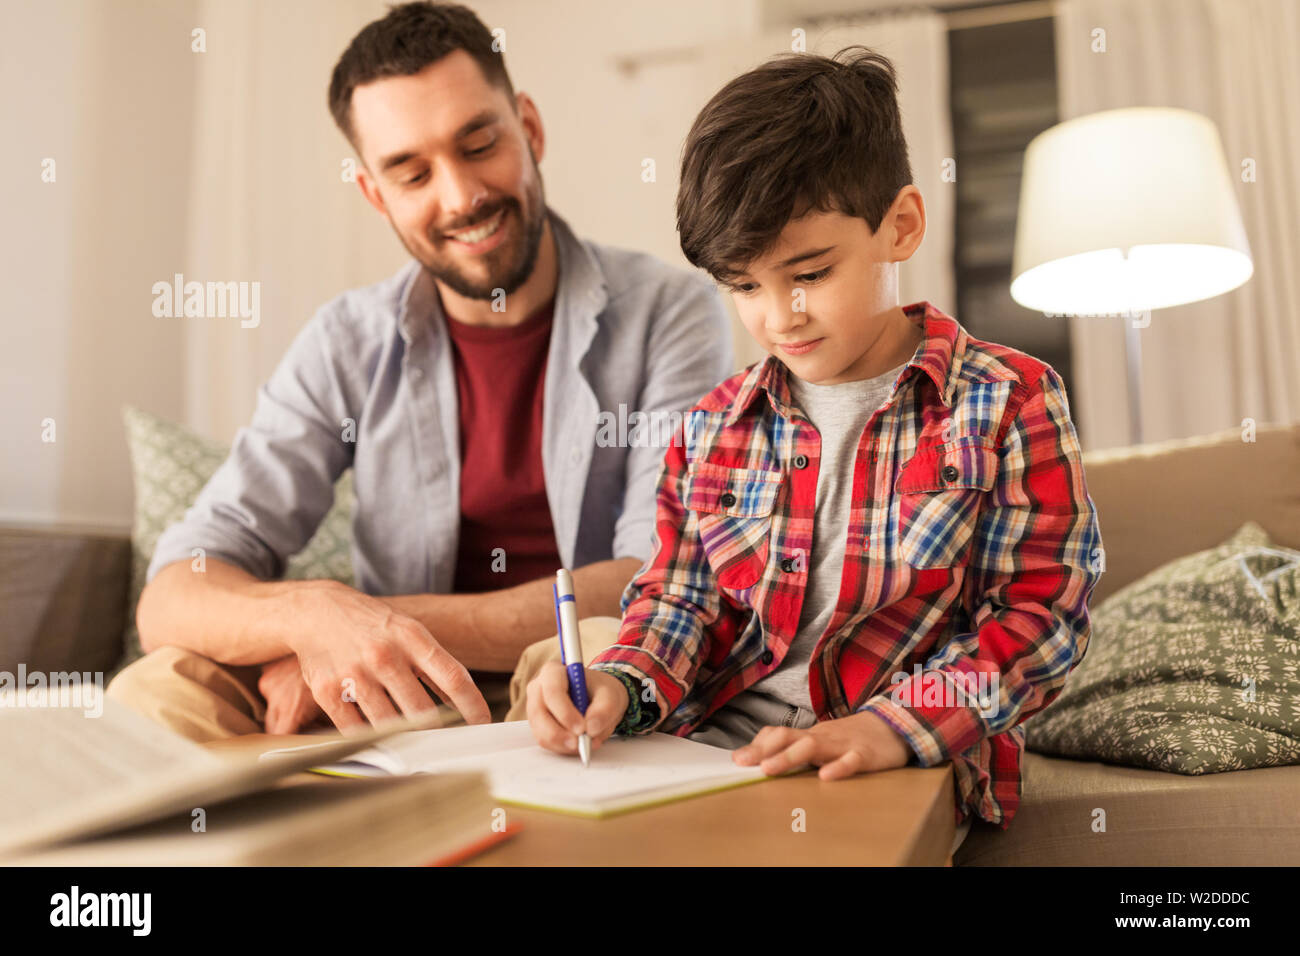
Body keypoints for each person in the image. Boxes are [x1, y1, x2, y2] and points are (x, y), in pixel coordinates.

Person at [521, 46, 1104, 856]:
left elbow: (1039, 621)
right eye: (745, 286)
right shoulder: (714, 428)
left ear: (899, 226)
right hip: (711, 752)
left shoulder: (1010, 400)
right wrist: (620, 684)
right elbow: (681, 603)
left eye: (809, 273)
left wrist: (888, 729)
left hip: (899, 753)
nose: (778, 316)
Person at [107, 1, 732, 741]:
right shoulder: (345, 339)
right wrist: (312, 619)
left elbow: (648, 580)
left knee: (600, 650)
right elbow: (177, 590)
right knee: (161, 687)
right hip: (384, 689)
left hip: (568, 676)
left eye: (478, 144)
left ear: (528, 129)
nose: (460, 196)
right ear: (376, 195)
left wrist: (370, 627)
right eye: (411, 173)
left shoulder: (671, 310)